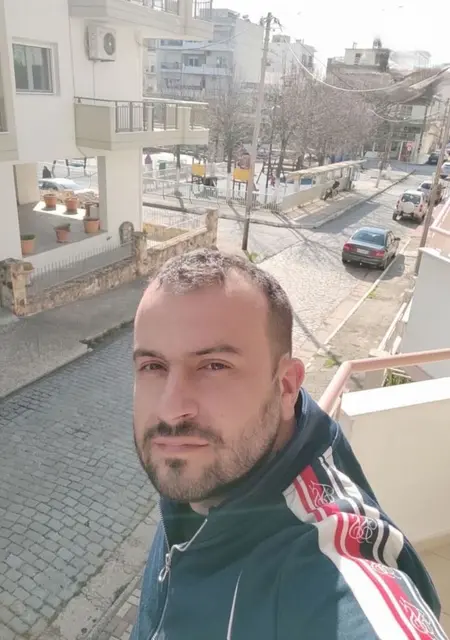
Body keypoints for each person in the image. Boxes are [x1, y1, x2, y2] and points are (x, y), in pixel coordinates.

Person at [131, 249, 443, 640]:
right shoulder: (202, 470)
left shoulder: (324, 561)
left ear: (286, 386)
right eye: (153, 366)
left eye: (214, 366)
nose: (171, 408)